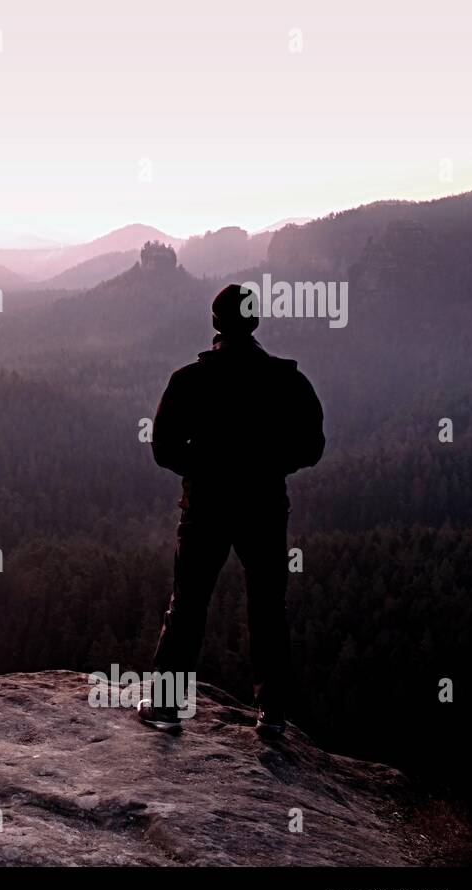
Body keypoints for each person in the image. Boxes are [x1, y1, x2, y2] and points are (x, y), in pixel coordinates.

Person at [138, 284, 325, 738]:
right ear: (255, 322)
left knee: (187, 605)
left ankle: (165, 707)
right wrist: (267, 466)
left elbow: (163, 448)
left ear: (216, 323)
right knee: (267, 607)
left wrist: (205, 468)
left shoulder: (189, 380)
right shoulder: (287, 379)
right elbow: (312, 447)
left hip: (205, 505)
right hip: (264, 507)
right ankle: (273, 714)